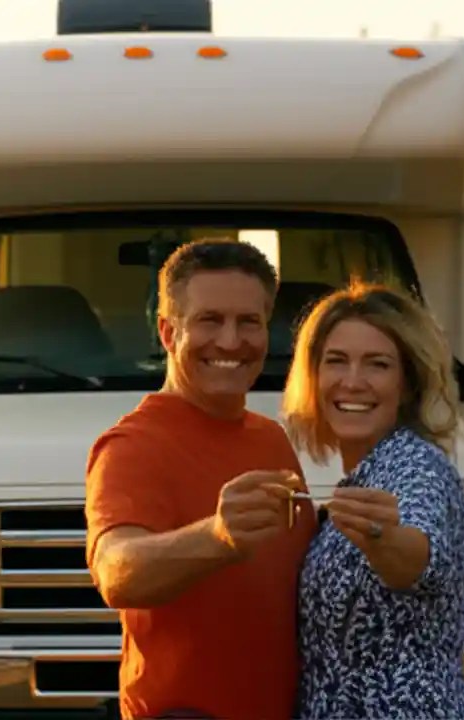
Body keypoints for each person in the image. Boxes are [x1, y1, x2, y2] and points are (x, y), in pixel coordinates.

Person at [84, 238, 318, 720]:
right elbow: (114, 571)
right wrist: (217, 535)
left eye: (249, 322)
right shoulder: (132, 444)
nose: (231, 342)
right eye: (210, 320)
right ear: (168, 333)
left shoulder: (271, 438)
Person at [281, 280, 464, 719]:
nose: (353, 382)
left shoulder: (415, 468)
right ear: (313, 377)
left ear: (407, 384)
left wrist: (383, 538)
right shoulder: (364, 471)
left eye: (378, 365)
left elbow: (418, 558)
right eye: (336, 361)